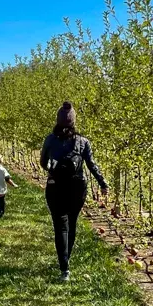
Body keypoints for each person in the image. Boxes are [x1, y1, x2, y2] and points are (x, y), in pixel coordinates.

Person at [40, 101, 108, 282]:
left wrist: (52, 169)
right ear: (73, 122)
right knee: (72, 222)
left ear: (58, 120)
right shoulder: (82, 141)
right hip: (78, 187)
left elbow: (43, 162)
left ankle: (64, 268)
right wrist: (103, 183)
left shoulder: (50, 139)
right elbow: (91, 165)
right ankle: (66, 260)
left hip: (55, 187)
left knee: (60, 226)